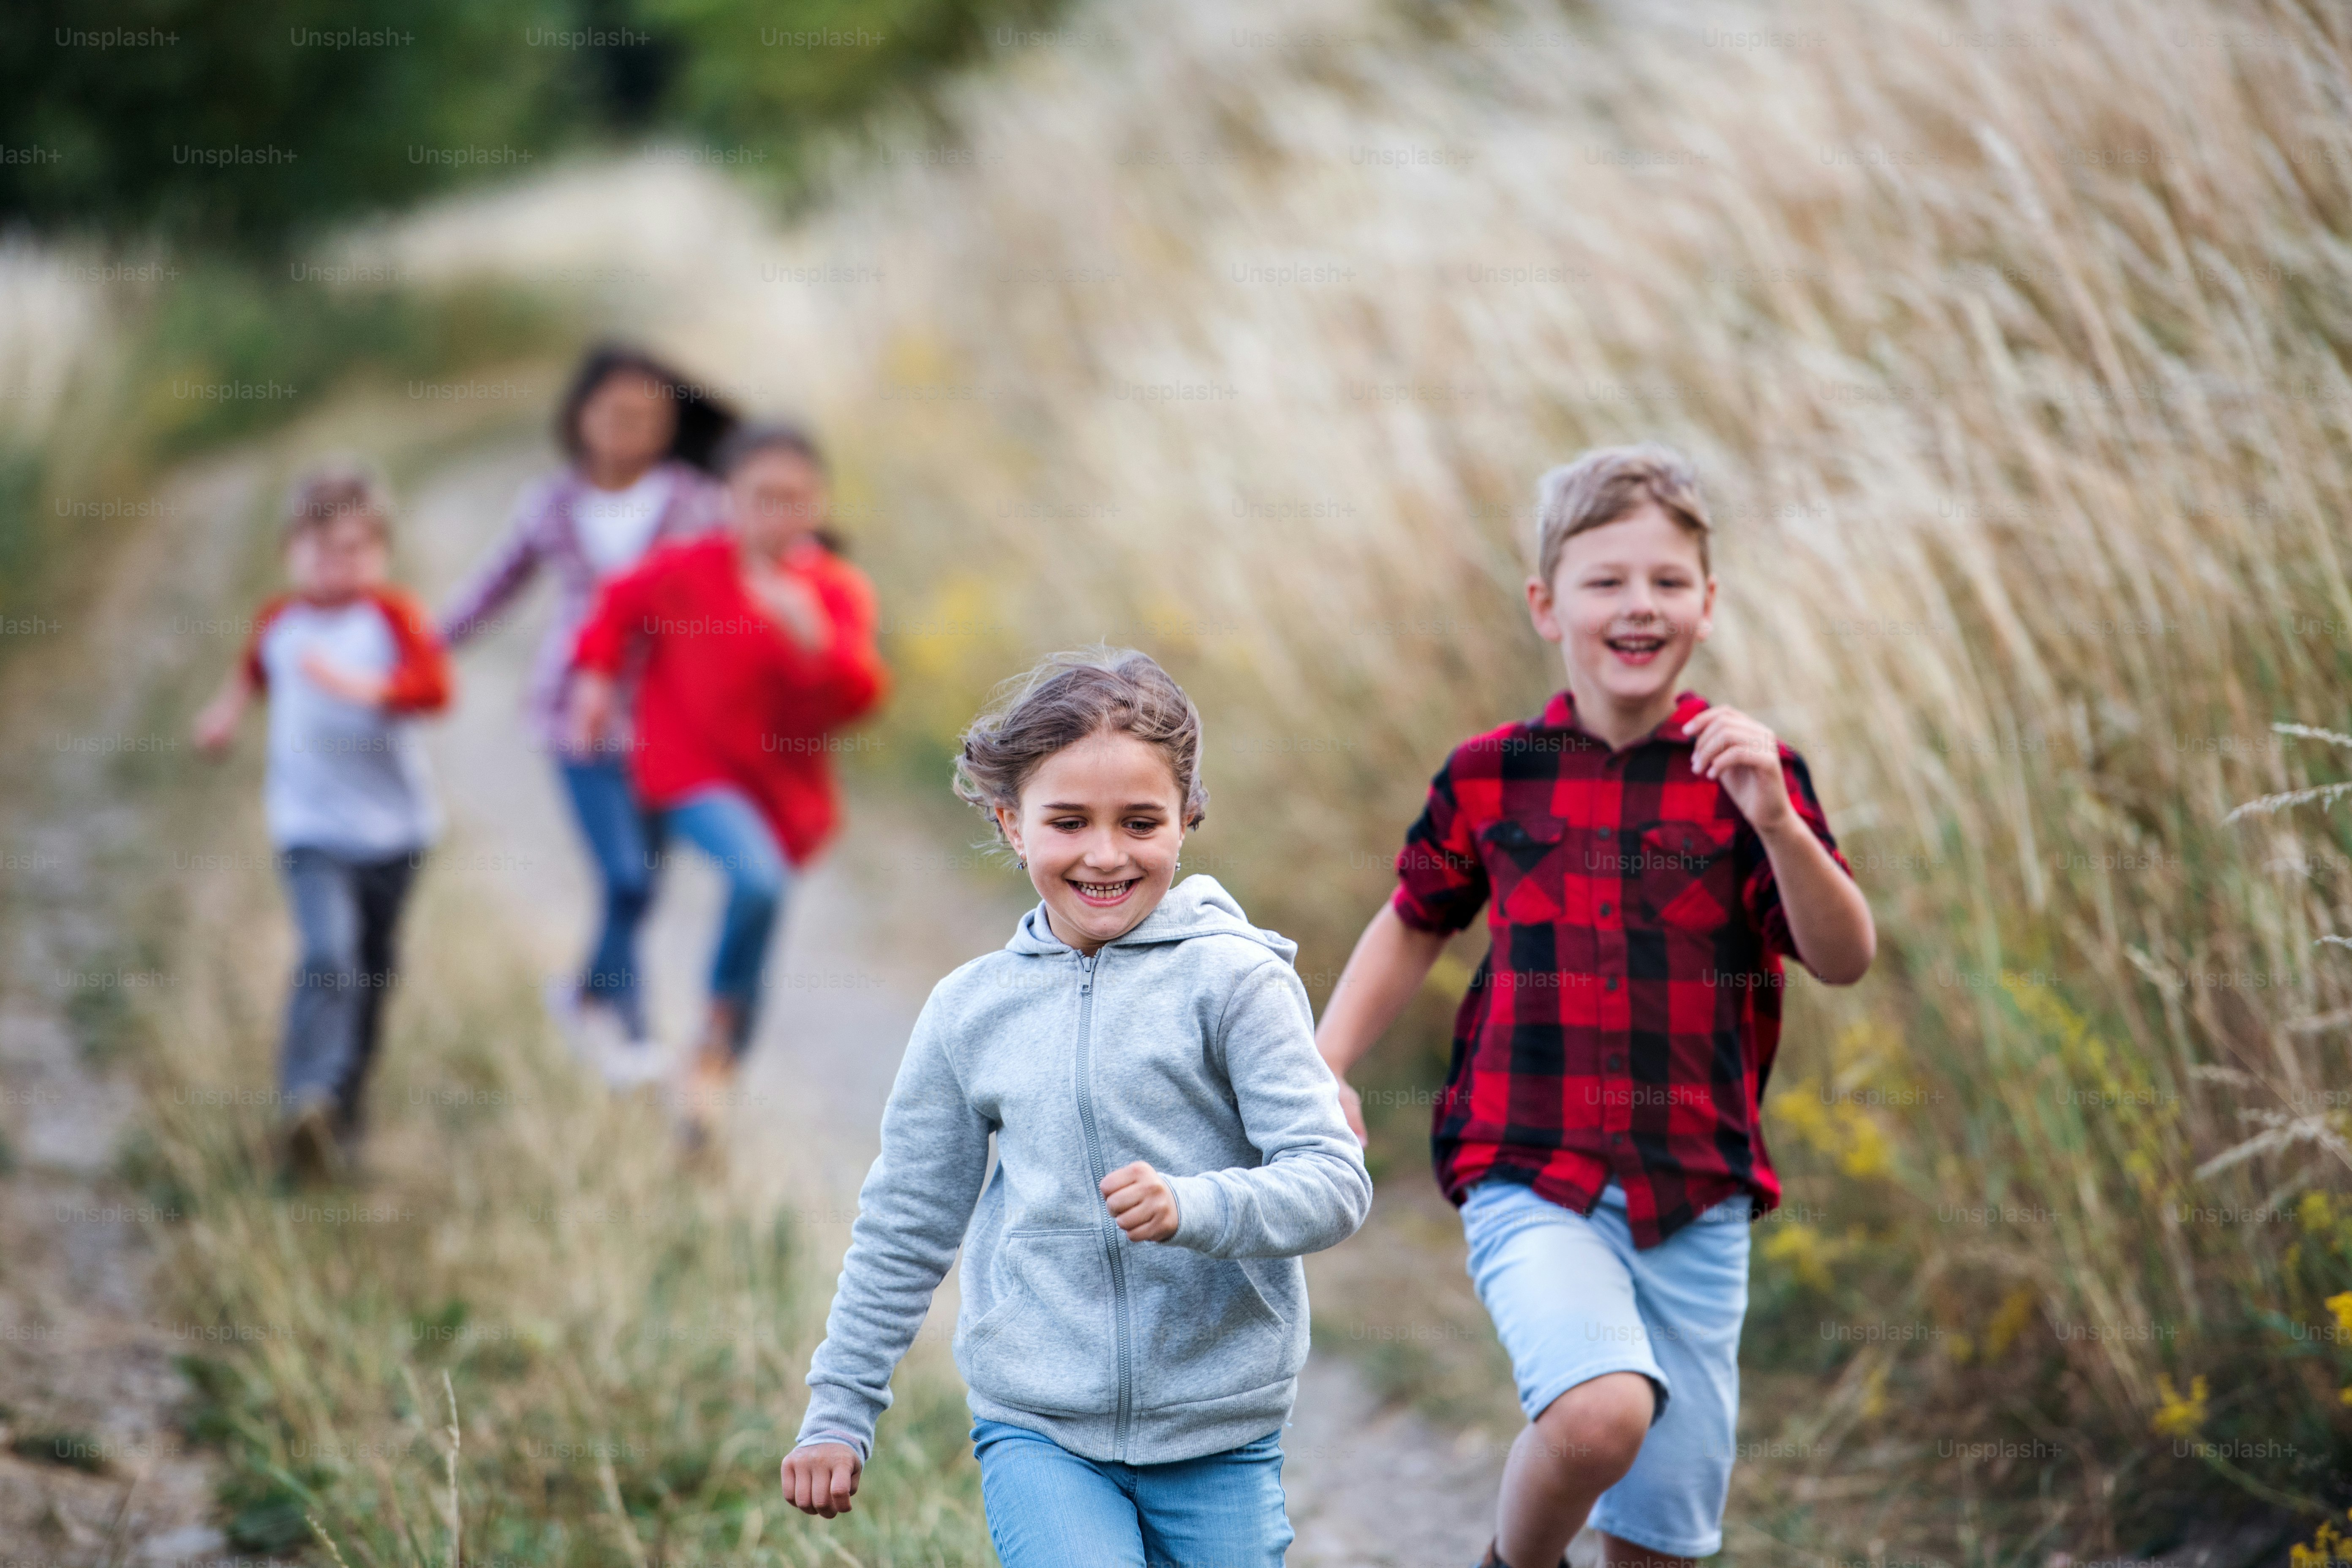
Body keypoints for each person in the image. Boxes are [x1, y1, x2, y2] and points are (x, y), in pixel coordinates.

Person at [1313, 445, 1876, 1568]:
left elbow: (1843, 955)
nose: (1639, 605)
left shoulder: (1752, 777)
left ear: (1706, 606)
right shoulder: (1492, 774)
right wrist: (1324, 1062)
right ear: (1546, 605)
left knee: (1660, 1535)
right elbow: (1416, 916)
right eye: (1606, 579)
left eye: (1668, 582)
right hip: (1528, 1163)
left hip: (1696, 1189)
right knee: (1598, 1415)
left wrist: (1779, 822)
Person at [779, 650, 1372, 1568]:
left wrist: (1196, 1205)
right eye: (1068, 821)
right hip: (1039, 1425)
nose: (1105, 853)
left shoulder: (1237, 981)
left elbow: (1333, 1181)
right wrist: (839, 1411)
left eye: (1141, 821)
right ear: (1012, 823)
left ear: (1187, 821)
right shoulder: (970, 1010)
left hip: (1218, 1425)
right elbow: (905, 1221)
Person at [569, 422, 886, 1136]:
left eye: (794, 498)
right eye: (761, 496)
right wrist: (594, 680)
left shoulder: (833, 591)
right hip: (686, 768)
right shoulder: (687, 566)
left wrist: (817, 644)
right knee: (757, 880)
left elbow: (859, 699)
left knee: (753, 906)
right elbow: (616, 608)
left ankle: (710, 1071)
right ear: (728, 499)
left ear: (819, 504)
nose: (777, 513)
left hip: (778, 784)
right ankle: (703, 1046)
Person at [436, 344, 734, 1078]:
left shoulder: (694, 501)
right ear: (581, 417)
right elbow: (493, 586)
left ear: (669, 426)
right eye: (616, 413)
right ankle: (630, 1036)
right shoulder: (552, 503)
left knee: (644, 886)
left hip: (667, 724)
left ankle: (579, 995)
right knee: (626, 880)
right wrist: (420, 644)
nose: (631, 429)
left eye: (648, 417)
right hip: (574, 718)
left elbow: (733, 593)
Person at [192, 461, 454, 1184]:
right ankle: (302, 1098)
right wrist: (223, 716)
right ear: (290, 551)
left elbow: (436, 688)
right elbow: (253, 669)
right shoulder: (280, 620)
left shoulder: (392, 618)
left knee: (370, 972)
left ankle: (345, 1106)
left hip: (395, 834)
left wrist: (363, 687)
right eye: (322, 548)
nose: (338, 565)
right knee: (327, 955)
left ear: (382, 553)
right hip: (307, 826)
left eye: (356, 550)